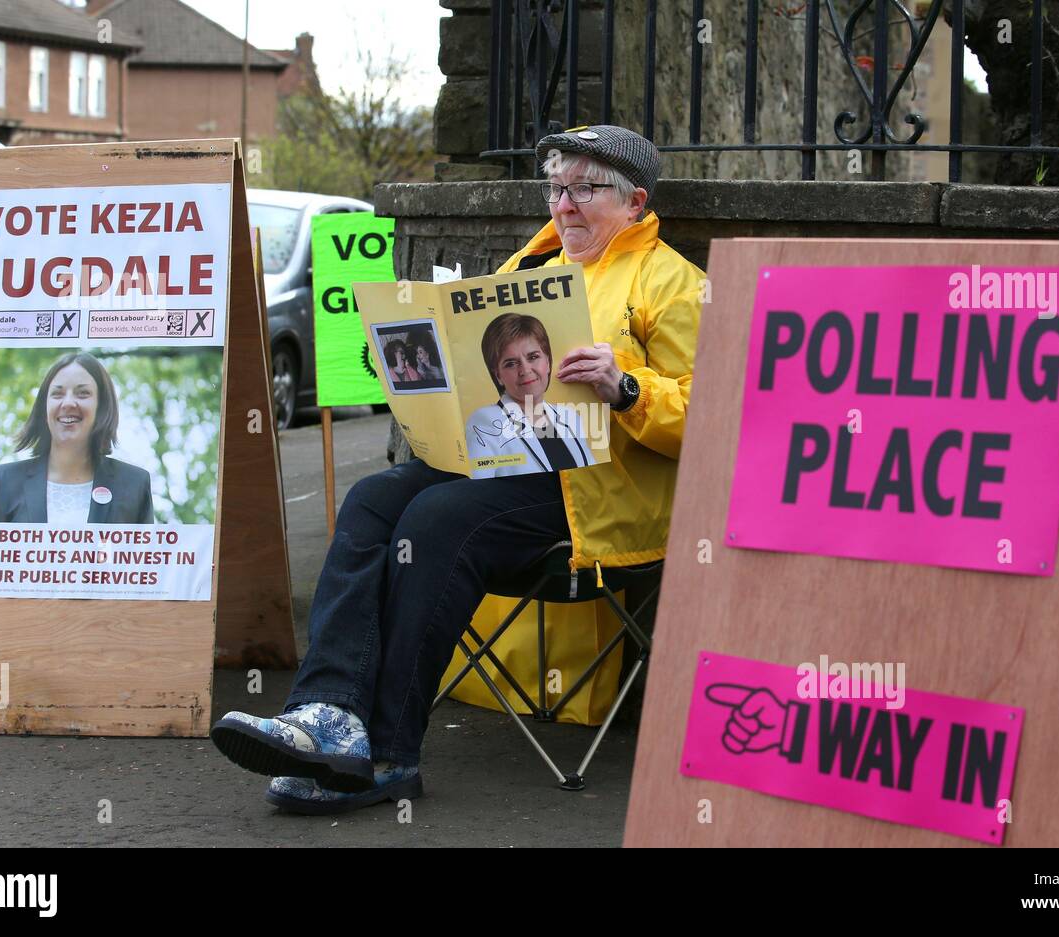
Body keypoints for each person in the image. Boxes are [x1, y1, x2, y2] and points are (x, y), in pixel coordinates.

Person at [211, 124, 705, 814]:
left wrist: (627, 387)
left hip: (596, 493)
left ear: (634, 201)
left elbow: (713, 415)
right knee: (373, 500)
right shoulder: (524, 270)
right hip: (499, 463)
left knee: (435, 520)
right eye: (557, 187)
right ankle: (329, 713)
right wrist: (411, 369)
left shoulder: (674, 283)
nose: (563, 204)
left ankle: (388, 753)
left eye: (584, 189)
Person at [0, 352, 154, 525]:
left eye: (82, 393)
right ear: (44, 408)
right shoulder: (4, 482)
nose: (68, 403)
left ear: (102, 406)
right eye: (57, 394)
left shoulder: (134, 485)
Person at [464, 313, 595, 476]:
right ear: (498, 375)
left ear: (547, 362)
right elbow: (481, 489)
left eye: (533, 357)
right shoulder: (485, 421)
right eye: (511, 363)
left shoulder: (569, 416)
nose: (525, 370)